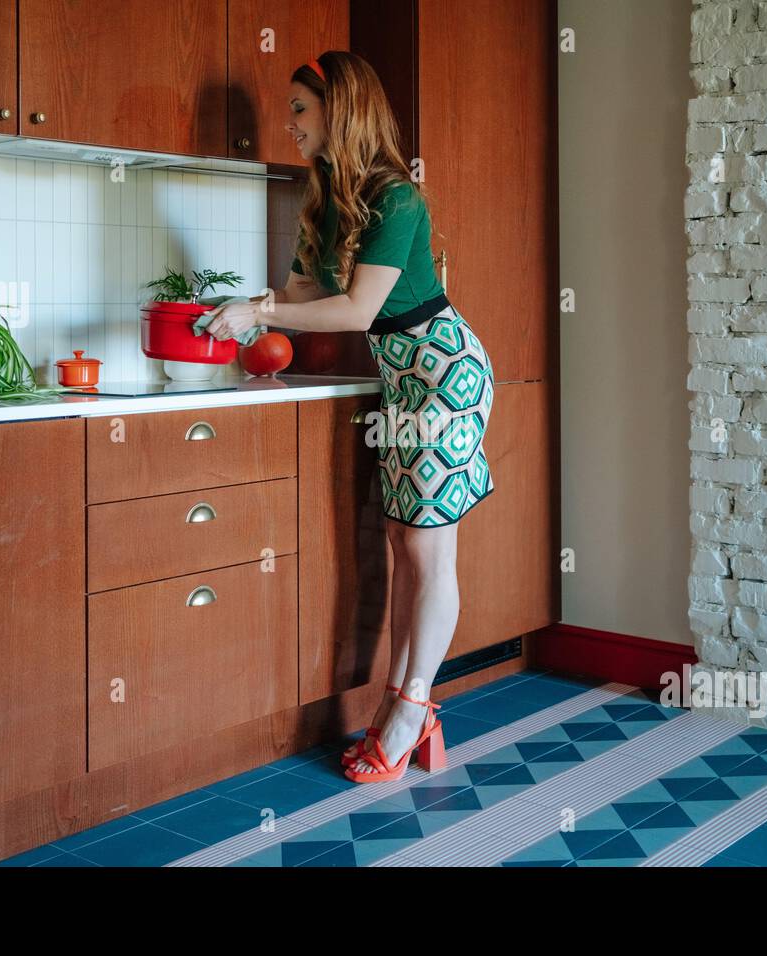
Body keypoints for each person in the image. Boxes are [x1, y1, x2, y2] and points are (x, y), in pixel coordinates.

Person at [205, 50, 495, 783]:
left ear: (341, 111)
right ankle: (406, 706)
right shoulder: (325, 202)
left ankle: (409, 712)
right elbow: (303, 297)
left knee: (429, 549)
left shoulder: (397, 198)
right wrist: (246, 319)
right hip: (402, 383)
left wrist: (262, 310)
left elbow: (359, 309)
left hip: (446, 372)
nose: (289, 123)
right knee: (403, 540)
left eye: (300, 109)